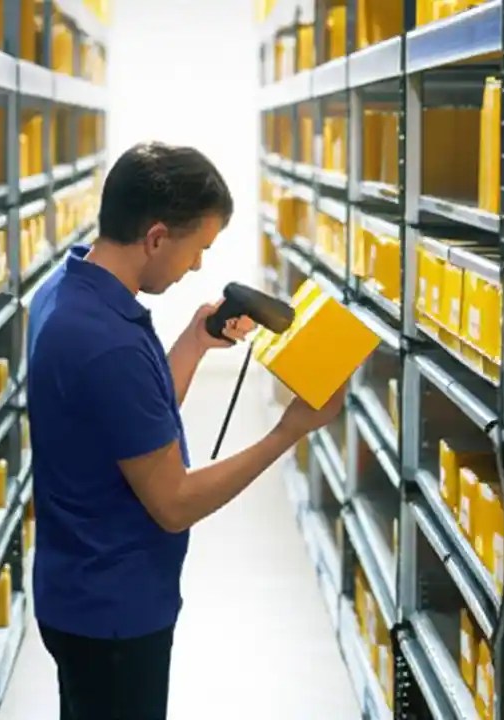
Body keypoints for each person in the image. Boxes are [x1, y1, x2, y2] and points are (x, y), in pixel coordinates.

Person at [25, 141, 347, 719]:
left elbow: (128, 422)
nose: (198, 264)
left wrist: (194, 344)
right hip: (115, 617)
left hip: (75, 590)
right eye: (197, 248)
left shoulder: (68, 291)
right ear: (155, 237)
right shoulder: (107, 344)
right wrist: (288, 430)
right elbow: (173, 503)